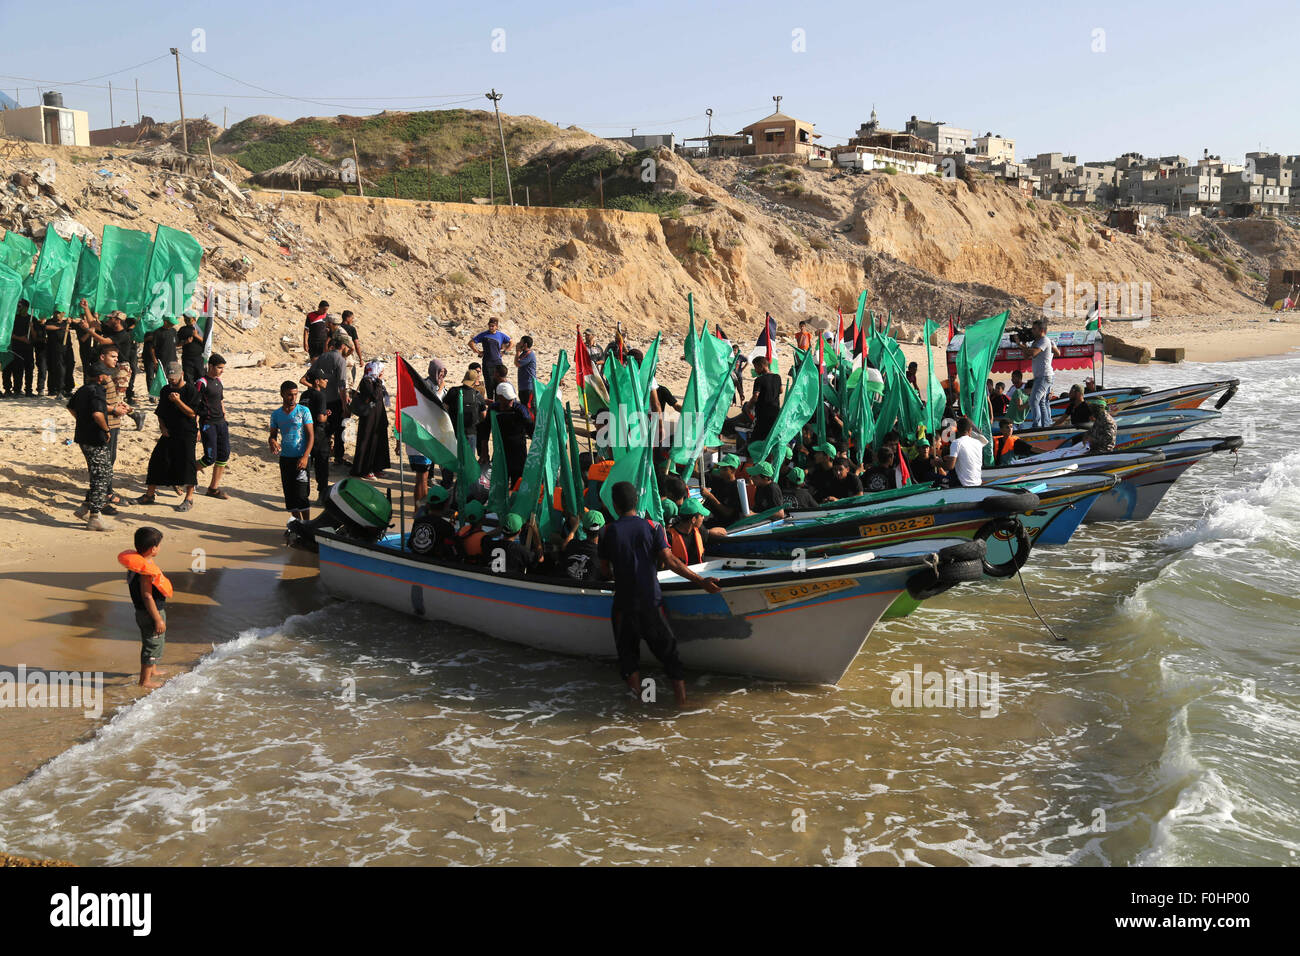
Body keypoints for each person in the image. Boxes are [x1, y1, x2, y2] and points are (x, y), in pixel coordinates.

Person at [598, 481, 722, 706]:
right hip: (650, 603)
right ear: (637, 502)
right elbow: (671, 560)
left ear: (615, 505)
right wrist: (701, 581)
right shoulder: (654, 527)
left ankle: (636, 705)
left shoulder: (607, 531)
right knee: (669, 655)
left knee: (628, 658)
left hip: (623, 605)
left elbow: (605, 571)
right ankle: (681, 703)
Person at [138, 363, 199, 511]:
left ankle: (189, 499)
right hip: (169, 432)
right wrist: (162, 427)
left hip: (187, 433)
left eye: (175, 378)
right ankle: (150, 494)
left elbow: (192, 413)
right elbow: (160, 412)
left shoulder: (190, 390)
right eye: (170, 378)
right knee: (157, 460)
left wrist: (178, 401)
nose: (172, 381)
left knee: (188, 464)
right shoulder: (165, 390)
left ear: (182, 374)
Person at [119, 526, 172, 690]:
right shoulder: (145, 572)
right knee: (152, 645)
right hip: (150, 613)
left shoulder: (139, 564)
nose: (160, 548)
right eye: (159, 545)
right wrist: (157, 619)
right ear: (153, 548)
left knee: (152, 640)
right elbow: (147, 596)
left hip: (143, 612)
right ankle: (145, 681)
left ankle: (153, 670)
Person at [69, 362, 115, 529]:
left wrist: (82, 421)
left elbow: (71, 407)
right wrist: (106, 429)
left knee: (101, 472)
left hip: (83, 437)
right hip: (95, 439)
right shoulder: (97, 390)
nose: (108, 378)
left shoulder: (83, 389)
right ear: (100, 377)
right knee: (102, 476)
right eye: (107, 375)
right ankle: (95, 515)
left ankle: (85, 507)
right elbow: (97, 413)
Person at [269, 380, 315, 522]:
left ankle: (306, 524)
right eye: (290, 395)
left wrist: (306, 457)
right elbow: (272, 435)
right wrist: (272, 441)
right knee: (290, 496)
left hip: (301, 458)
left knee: (302, 495)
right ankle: (299, 524)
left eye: (295, 394)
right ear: (282, 394)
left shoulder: (303, 411)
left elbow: (311, 436)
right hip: (285, 459)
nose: (293, 398)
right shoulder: (276, 414)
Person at [301, 335, 350, 465]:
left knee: (323, 428)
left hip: (321, 399)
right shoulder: (340, 360)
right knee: (339, 429)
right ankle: (338, 457)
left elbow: (305, 378)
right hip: (335, 400)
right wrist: (345, 406)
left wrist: (315, 387)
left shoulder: (322, 357)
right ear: (343, 346)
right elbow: (342, 385)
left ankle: (322, 453)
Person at [194, 353, 231, 499]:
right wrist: (196, 427)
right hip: (207, 424)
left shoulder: (218, 381)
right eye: (219, 368)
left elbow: (220, 400)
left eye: (223, 368)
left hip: (221, 423)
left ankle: (213, 489)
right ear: (210, 366)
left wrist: (224, 415)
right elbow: (195, 406)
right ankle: (188, 473)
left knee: (224, 455)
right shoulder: (201, 382)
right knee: (210, 458)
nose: (222, 370)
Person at [350, 363, 392, 479]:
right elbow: (375, 396)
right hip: (369, 418)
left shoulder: (376, 382)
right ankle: (365, 470)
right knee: (368, 441)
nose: (382, 373)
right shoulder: (366, 381)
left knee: (379, 441)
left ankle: (377, 468)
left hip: (378, 416)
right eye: (381, 370)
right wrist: (378, 382)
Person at [299, 366, 332, 502]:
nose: (327, 381)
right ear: (317, 382)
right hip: (318, 434)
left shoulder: (304, 395)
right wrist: (326, 416)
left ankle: (303, 495)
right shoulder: (320, 395)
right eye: (324, 379)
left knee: (305, 465)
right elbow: (320, 418)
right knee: (322, 465)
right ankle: (322, 495)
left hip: (304, 433)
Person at [493, 382, 534, 484]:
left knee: (518, 482)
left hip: (518, 453)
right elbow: (484, 429)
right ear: (499, 397)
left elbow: (531, 428)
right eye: (508, 398)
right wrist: (484, 451)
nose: (511, 401)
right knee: (500, 482)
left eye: (512, 398)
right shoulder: (493, 410)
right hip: (500, 452)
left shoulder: (520, 410)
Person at [1025, 320, 1059, 428]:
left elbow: (1034, 353)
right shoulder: (1036, 342)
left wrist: (1021, 346)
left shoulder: (1044, 340)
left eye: (1034, 329)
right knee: (1042, 402)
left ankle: (1037, 426)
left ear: (1042, 330)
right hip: (1042, 376)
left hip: (1045, 376)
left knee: (1033, 401)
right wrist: (1021, 345)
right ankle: (1046, 425)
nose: (1032, 331)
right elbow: (1027, 356)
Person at [943, 416, 990, 487]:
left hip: (963, 484)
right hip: (977, 482)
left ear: (957, 429)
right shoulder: (978, 443)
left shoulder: (956, 443)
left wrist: (938, 463)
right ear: (970, 430)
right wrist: (951, 458)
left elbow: (950, 466)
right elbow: (968, 457)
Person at [559, 510, 605, 583]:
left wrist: (574, 528)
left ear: (583, 529)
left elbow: (564, 546)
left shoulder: (573, 544)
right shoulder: (603, 554)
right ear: (602, 529)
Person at [4, 300, 35, 396]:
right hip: (16, 348)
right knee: (18, 370)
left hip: (28, 349)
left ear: (26, 307)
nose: (18, 308)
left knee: (29, 369)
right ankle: (17, 389)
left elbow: (36, 336)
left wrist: (32, 328)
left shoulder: (32, 319)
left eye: (20, 306)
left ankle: (28, 390)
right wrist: (21, 338)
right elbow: (9, 333)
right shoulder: (14, 318)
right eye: (18, 306)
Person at [701, 454, 742, 527]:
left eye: (724, 469)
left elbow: (727, 513)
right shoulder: (718, 480)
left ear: (733, 470)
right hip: (711, 519)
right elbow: (697, 474)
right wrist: (697, 458)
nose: (721, 471)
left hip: (724, 525)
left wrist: (710, 496)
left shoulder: (736, 488)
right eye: (721, 468)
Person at [749, 356, 782, 443]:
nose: (755, 370)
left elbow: (755, 396)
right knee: (770, 441)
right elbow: (781, 390)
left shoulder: (759, 380)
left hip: (763, 415)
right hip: (775, 413)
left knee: (754, 442)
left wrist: (749, 406)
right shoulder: (777, 377)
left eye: (756, 367)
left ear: (762, 366)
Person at [469, 316, 511, 382]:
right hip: (487, 363)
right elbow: (471, 343)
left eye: (493, 326)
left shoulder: (501, 335)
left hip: (498, 363)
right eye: (489, 325)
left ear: (496, 326)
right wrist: (478, 352)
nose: (491, 327)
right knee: (489, 384)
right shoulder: (483, 335)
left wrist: (505, 352)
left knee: (499, 383)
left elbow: (512, 342)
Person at [667, 499, 708, 564]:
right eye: (701, 515)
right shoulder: (669, 537)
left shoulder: (700, 531)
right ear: (693, 519)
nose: (703, 518)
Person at [43, 310, 71, 400]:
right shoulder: (50, 321)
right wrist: (60, 328)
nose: (57, 315)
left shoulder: (66, 323)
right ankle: (52, 389)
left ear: (63, 314)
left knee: (63, 369)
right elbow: (47, 327)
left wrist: (71, 321)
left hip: (65, 350)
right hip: (53, 350)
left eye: (59, 313)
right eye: (55, 313)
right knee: (52, 369)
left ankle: (62, 389)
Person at [177, 313, 206, 384]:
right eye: (185, 318)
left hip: (198, 358)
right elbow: (177, 344)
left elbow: (207, 343)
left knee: (200, 379)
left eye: (189, 319)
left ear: (194, 319)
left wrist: (196, 336)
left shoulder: (200, 329)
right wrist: (185, 342)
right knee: (188, 379)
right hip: (187, 359)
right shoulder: (182, 330)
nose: (187, 320)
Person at [515, 335, 537, 410]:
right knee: (524, 407)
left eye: (521, 342)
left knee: (529, 408)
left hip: (529, 386)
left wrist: (517, 351)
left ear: (525, 344)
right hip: (523, 386)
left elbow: (517, 363)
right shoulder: (523, 354)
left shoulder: (529, 354)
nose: (518, 344)